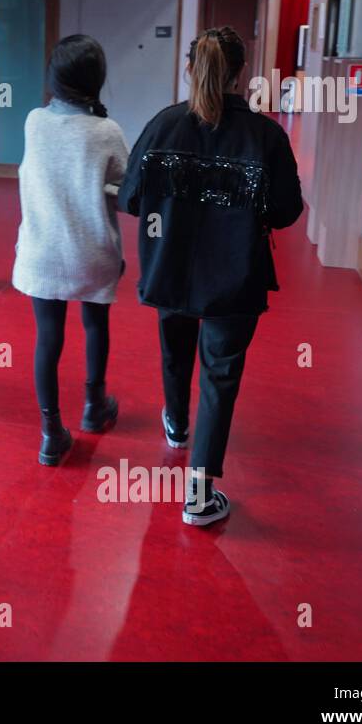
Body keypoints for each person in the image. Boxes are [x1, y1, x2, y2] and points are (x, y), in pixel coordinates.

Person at [118, 26, 302, 526]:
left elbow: (130, 198)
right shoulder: (266, 136)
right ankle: (199, 495)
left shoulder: (162, 125)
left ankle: (177, 425)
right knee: (220, 374)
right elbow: (286, 211)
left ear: (189, 68)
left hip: (169, 269)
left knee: (175, 351)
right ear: (241, 73)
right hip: (235, 277)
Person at [12, 35, 129, 466]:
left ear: (54, 78)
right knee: (96, 325)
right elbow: (127, 188)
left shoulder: (34, 122)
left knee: (48, 338)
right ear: (97, 79)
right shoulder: (107, 132)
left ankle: (51, 433)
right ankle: (94, 407)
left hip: (42, 253)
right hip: (92, 254)